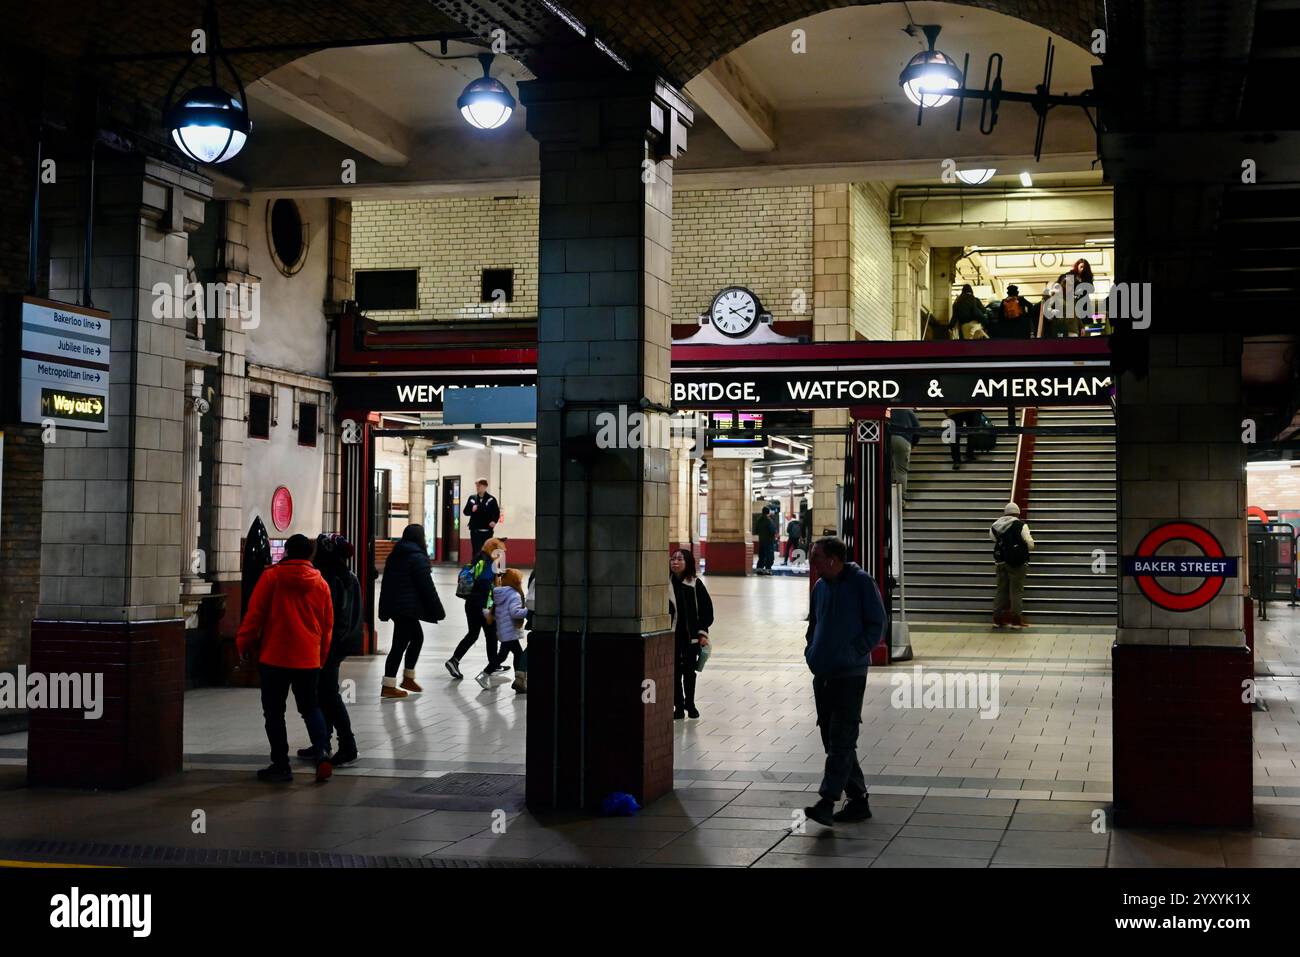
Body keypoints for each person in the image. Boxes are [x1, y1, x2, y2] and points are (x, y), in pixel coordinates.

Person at [236, 533, 335, 783]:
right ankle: (322, 752)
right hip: (308, 658)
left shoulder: (271, 577)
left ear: (287, 552)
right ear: (310, 554)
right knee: (311, 708)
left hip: (275, 658)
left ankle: (281, 764)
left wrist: (243, 643)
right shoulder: (321, 583)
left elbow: (254, 614)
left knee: (274, 712)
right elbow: (327, 626)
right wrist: (320, 658)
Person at [802, 537, 886, 827]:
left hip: (850, 675)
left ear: (833, 560)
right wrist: (811, 651)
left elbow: (878, 623)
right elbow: (813, 624)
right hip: (822, 673)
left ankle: (827, 801)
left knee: (842, 738)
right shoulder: (820, 587)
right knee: (832, 739)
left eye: (816, 558)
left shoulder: (862, 583)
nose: (811, 564)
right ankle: (858, 800)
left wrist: (854, 652)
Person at [296, 533, 362, 766]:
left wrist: (327, 644)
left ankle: (346, 744)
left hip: (328, 645)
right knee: (324, 693)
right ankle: (322, 742)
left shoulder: (329, 578)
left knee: (328, 694)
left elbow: (330, 616)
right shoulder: (348, 576)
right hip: (337, 644)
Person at [377, 523, 445, 698]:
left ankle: (405, 678)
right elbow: (427, 587)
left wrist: (384, 609)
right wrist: (438, 610)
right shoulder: (417, 557)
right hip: (405, 608)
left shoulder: (396, 554)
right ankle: (391, 684)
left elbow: (386, 585)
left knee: (411, 639)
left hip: (397, 607)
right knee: (403, 643)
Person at [445, 536, 505, 679]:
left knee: (474, 634)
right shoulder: (487, 562)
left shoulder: (478, 558)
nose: (501, 553)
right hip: (481, 604)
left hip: (471, 603)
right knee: (491, 634)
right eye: (499, 550)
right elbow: (485, 581)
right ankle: (493, 664)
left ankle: (454, 660)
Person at [668, 548, 713, 719]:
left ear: (688, 563)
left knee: (689, 672)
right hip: (671, 636)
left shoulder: (695, 584)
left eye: (680, 559)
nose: (675, 562)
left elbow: (706, 611)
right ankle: (678, 707)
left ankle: (690, 704)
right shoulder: (664, 584)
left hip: (691, 638)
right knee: (674, 673)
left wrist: (702, 633)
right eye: (673, 559)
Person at [477, 568, 529, 691]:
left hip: (504, 630)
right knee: (504, 656)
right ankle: (483, 675)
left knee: (516, 654)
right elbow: (515, 613)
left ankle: (519, 681)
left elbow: (497, 611)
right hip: (510, 631)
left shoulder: (501, 593)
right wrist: (529, 611)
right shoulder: (514, 595)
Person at [990, 502, 1035, 629]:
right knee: (1016, 591)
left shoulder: (995, 525)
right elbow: (1030, 544)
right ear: (1017, 512)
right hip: (1017, 563)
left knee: (1001, 590)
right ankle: (1015, 620)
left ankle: (997, 619)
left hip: (1000, 562)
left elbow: (993, 539)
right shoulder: (1021, 525)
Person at [462, 478, 500, 557]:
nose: (478, 487)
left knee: (486, 551)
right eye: (477, 486)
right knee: (476, 552)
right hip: (475, 530)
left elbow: (496, 513)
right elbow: (465, 512)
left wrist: (494, 521)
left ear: (485, 486)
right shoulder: (472, 498)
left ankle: (485, 568)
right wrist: (472, 510)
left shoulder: (491, 499)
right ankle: (476, 567)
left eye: (480, 486)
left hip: (487, 530)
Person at [889, 407, 921, 498]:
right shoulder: (907, 410)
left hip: (886, 438)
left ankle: (886, 497)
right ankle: (900, 499)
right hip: (903, 439)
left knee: (885, 469)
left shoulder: (887, 409)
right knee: (901, 471)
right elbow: (917, 428)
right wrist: (914, 443)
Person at [753, 506, 776, 575]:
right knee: (769, 556)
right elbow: (772, 531)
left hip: (761, 541)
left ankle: (759, 569)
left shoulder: (759, 520)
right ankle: (768, 569)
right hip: (769, 541)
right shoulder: (769, 520)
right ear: (768, 512)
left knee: (762, 555)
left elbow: (756, 531)